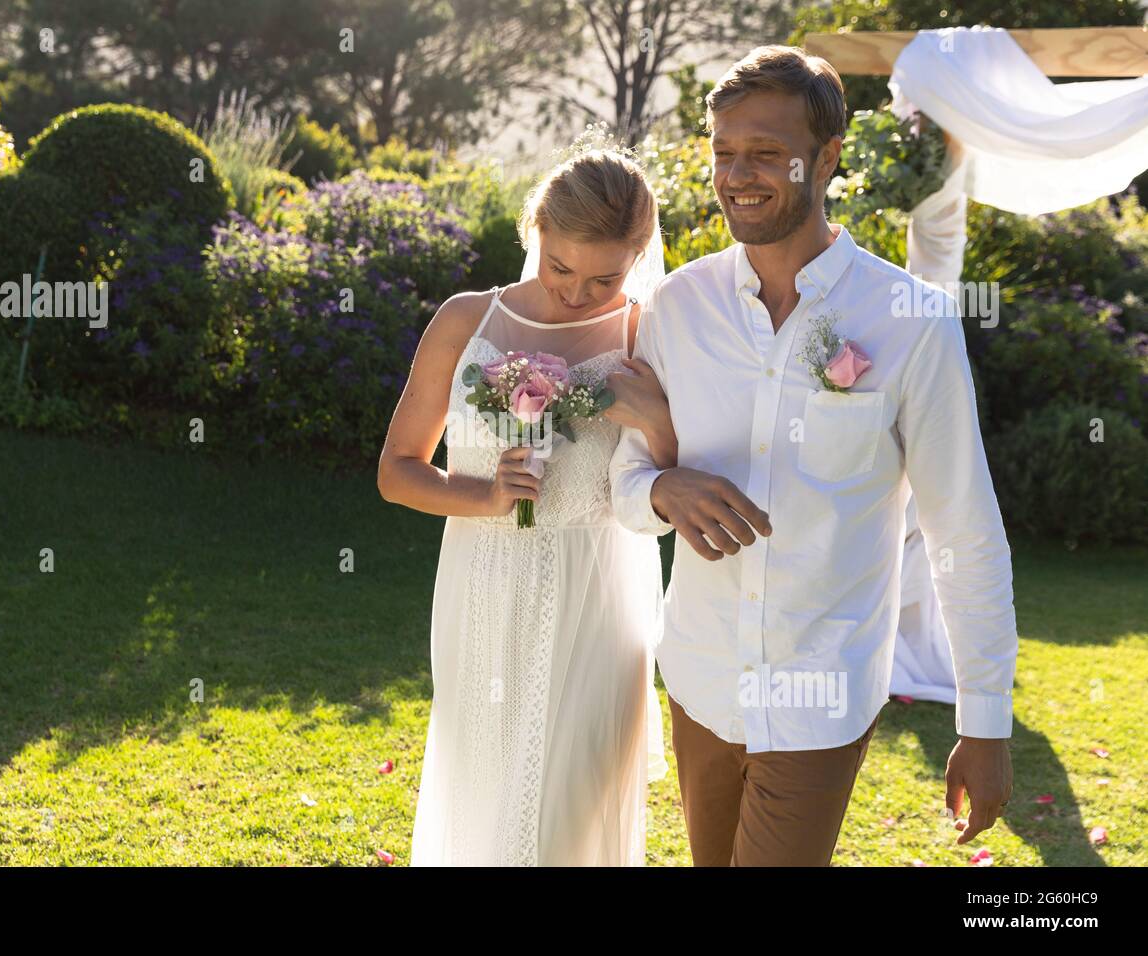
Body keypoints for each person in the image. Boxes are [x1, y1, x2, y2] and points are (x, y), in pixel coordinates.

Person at [609, 45, 1017, 866]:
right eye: (724, 152)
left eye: (766, 152)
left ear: (826, 157)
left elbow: (962, 528)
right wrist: (661, 490)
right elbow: (623, 481)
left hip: (820, 698)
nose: (737, 175)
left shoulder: (912, 321)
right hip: (698, 680)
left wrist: (986, 723)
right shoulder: (676, 307)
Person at [379, 141, 690, 865]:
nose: (577, 294)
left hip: (600, 594)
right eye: (560, 268)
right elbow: (397, 471)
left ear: (639, 257)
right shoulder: (466, 322)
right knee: (487, 793)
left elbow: (674, 481)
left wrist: (658, 421)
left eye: (606, 277)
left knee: (569, 809)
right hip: (484, 586)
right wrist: (486, 496)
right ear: (535, 232)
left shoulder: (644, 334)